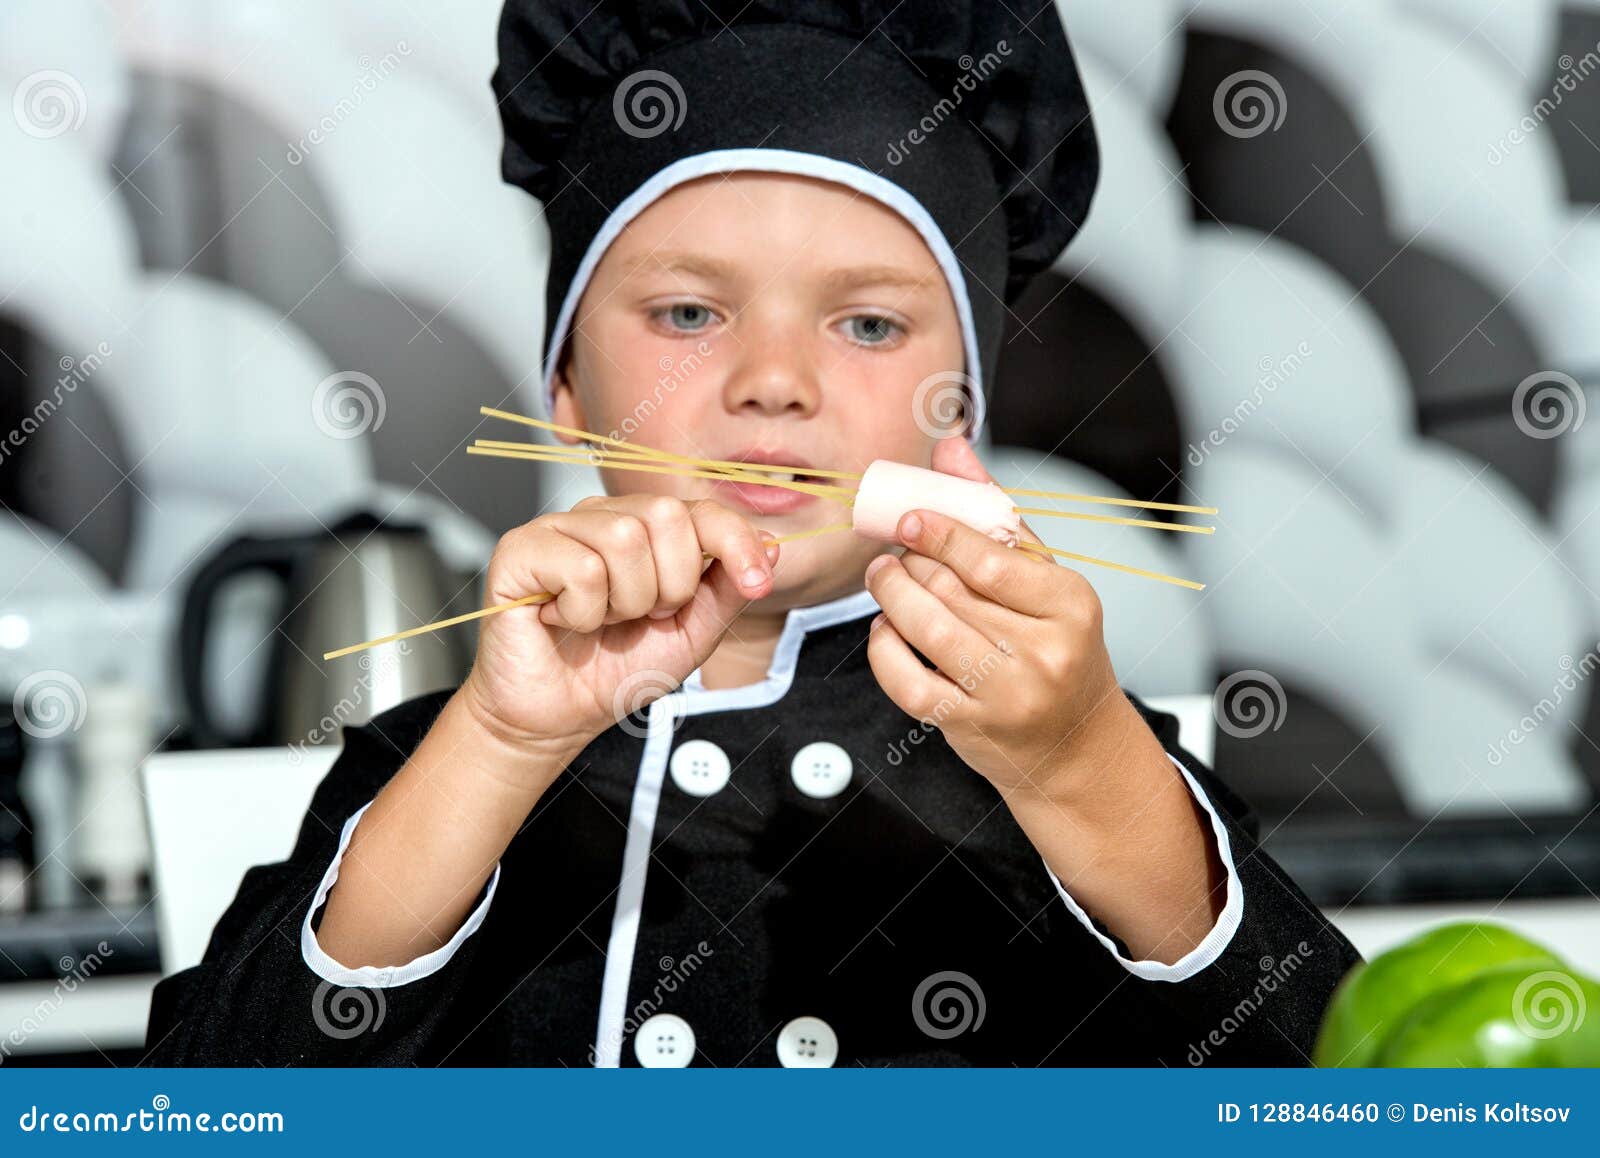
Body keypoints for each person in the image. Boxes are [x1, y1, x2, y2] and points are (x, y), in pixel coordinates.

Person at [144, 0, 1361, 1067]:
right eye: (686, 310)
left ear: (965, 404)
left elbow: (1360, 1095)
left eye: (870, 327)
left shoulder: (1072, 751)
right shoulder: (434, 764)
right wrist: (497, 745)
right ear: (563, 382)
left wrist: (1087, 769)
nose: (773, 381)